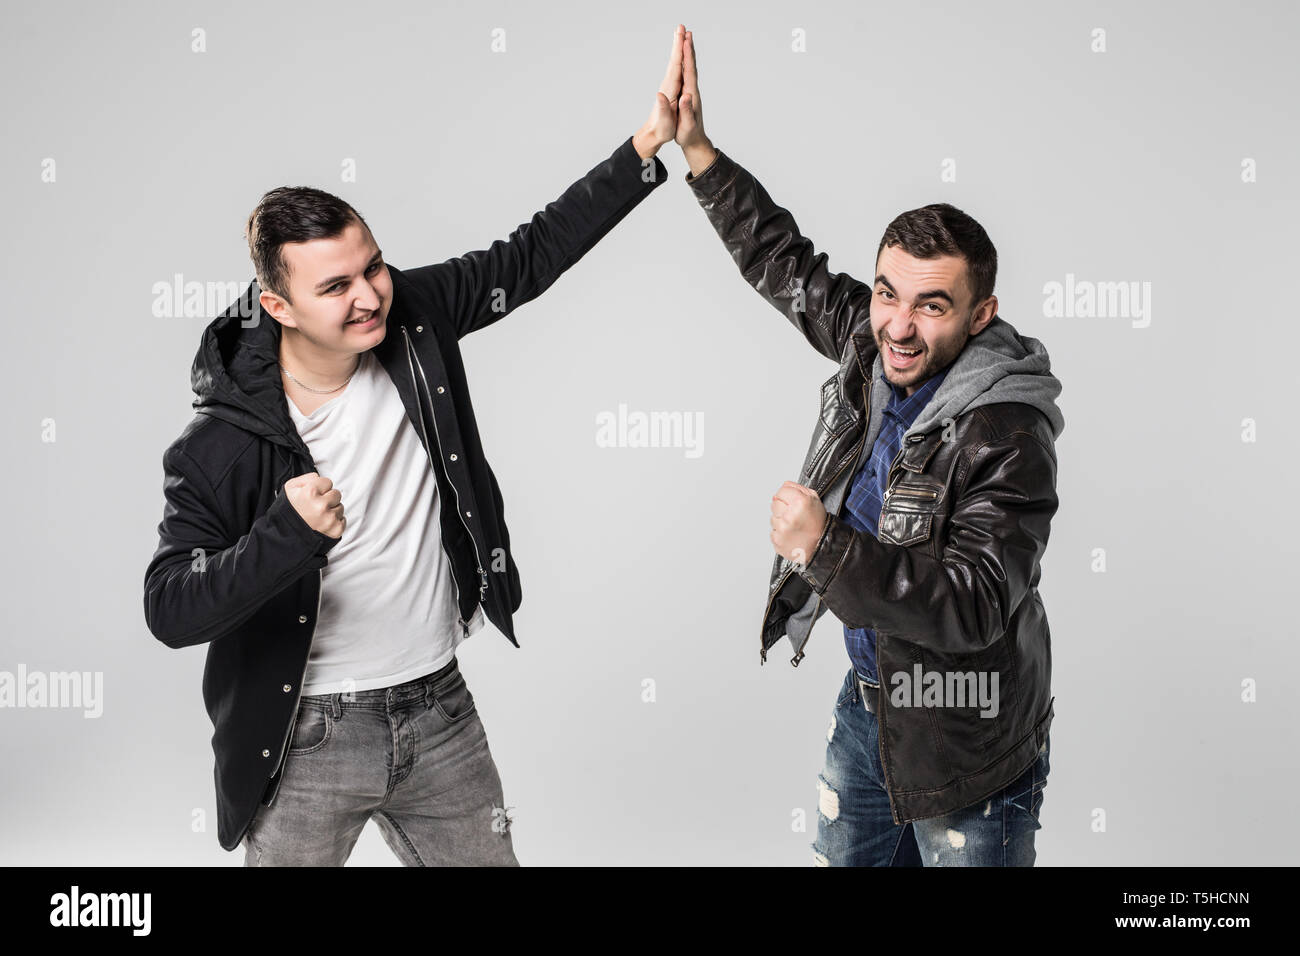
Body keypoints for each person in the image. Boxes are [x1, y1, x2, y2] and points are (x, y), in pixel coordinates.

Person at [142, 27, 691, 865]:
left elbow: (529, 254)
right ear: (278, 306)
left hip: (440, 712)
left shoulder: (413, 319)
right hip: (307, 736)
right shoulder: (219, 443)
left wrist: (647, 147)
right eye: (335, 286)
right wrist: (284, 537)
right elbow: (170, 607)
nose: (369, 297)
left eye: (374, 266)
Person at [671, 29, 1064, 866]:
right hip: (870, 705)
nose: (898, 324)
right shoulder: (874, 340)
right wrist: (700, 154)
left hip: (968, 728)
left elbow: (973, 603)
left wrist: (823, 548)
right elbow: (786, 263)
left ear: (979, 315)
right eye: (887, 293)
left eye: (931, 306)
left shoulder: (1009, 431)